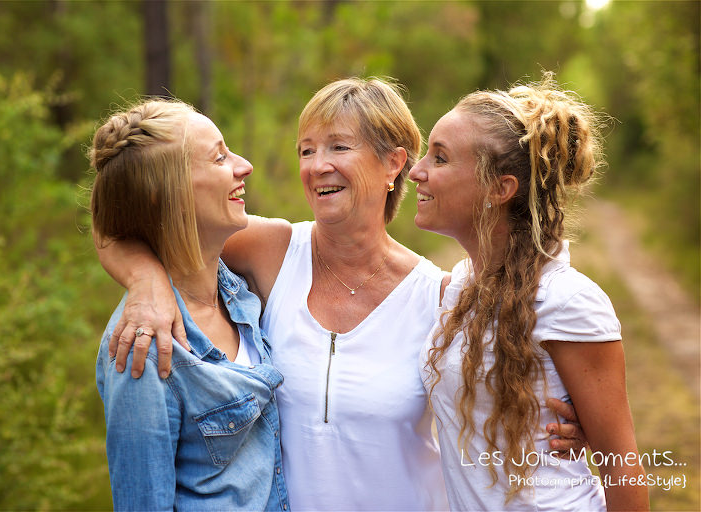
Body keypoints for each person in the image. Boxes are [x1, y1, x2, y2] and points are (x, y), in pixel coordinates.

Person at [97, 78, 586, 510]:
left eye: (338, 147)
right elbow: (132, 218)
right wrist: (146, 283)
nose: (317, 166)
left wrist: (585, 436)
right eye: (306, 150)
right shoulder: (271, 250)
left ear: (395, 164)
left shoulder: (440, 296)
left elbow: (498, 406)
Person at [411, 75, 649, 510]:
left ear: (499, 189)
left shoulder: (569, 301)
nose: (416, 171)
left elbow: (620, 463)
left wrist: (591, 440)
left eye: (440, 158)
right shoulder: (460, 287)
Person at [90, 99, 289, 511]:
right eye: (220, 158)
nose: (244, 165)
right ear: (169, 194)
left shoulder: (236, 290)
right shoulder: (143, 348)